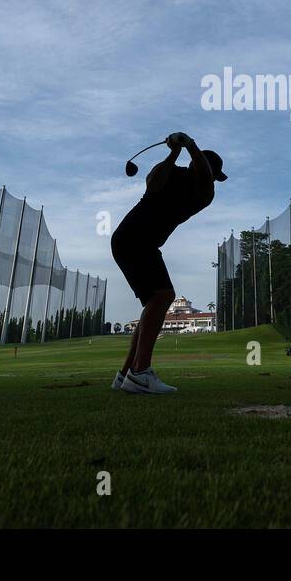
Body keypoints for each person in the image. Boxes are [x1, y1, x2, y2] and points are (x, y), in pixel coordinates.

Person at [111, 132, 226, 394]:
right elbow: (152, 183)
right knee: (163, 295)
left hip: (138, 242)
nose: (215, 182)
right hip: (133, 239)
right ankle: (140, 373)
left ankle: (127, 373)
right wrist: (175, 151)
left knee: (156, 300)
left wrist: (190, 145)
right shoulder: (172, 173)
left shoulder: (203, 193)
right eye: (215, 175)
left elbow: (204, 177)